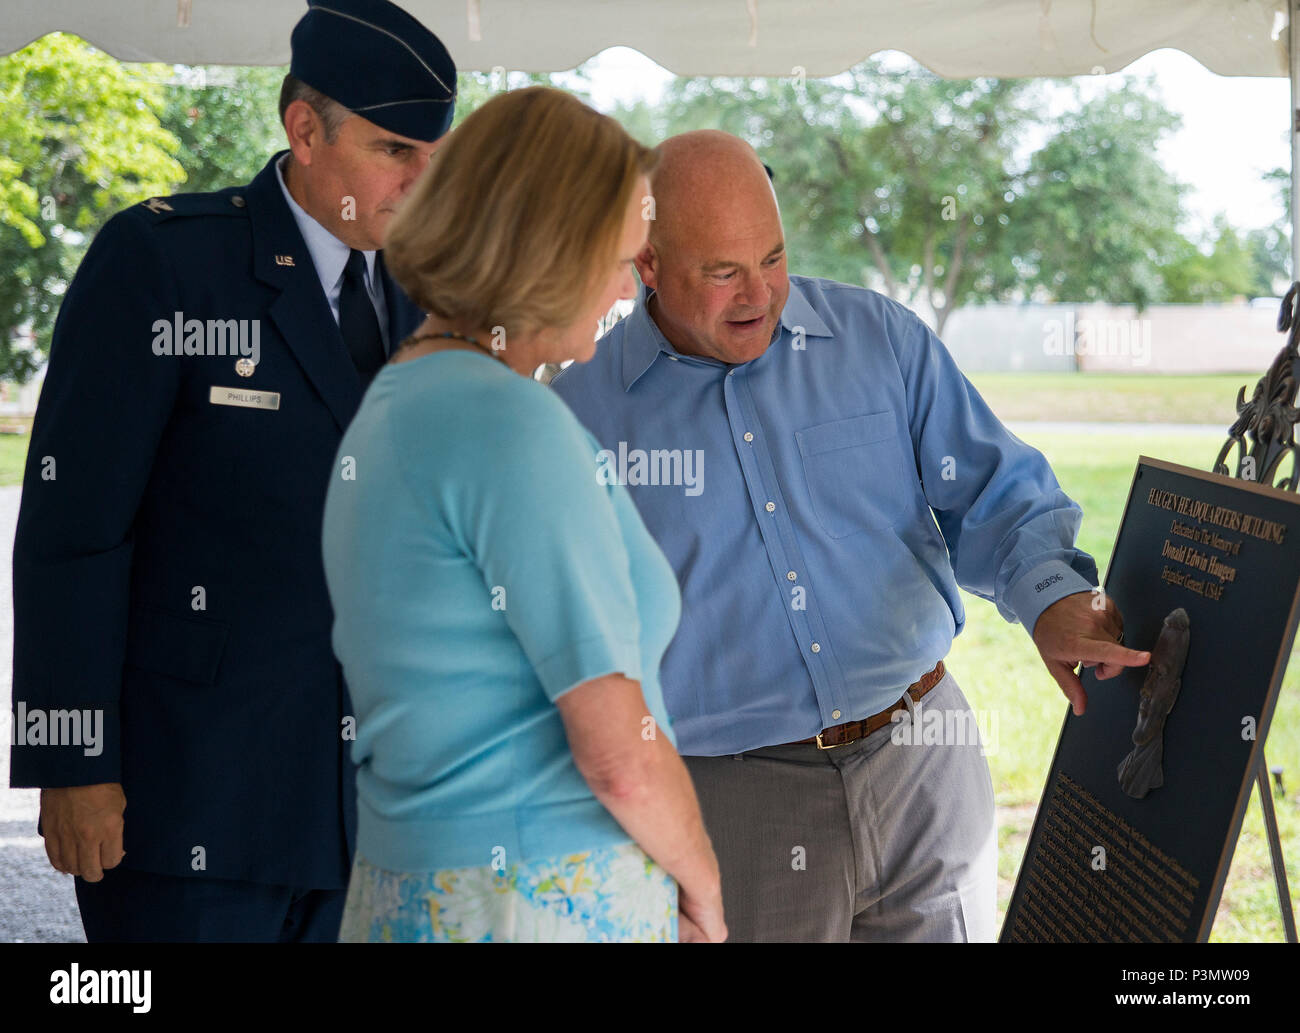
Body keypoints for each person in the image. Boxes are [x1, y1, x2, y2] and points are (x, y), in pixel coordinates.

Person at [551, 129, 1153, 942]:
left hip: (922, 764)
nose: (759, 293)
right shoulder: (581, 410)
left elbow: (994, 490)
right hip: (734, 808)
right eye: (723, 271)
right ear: (647, 264)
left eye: (772, 257)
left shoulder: (880, 339)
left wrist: (1050, 598)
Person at [8, 0, 456, 942]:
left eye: (434, 154)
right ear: (303, 129)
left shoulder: (436, 294)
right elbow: (71, 526)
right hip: (192, 804)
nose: (422, 180)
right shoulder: (167, 262)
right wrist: (72, 760)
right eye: (393, 150)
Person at [320, 86, 725, 943]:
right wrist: (704, 887)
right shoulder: (509, 422)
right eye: (620, 260)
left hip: (425, 887)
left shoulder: (400, 398)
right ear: (551, 251)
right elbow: (619, 754)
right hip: (536, 896)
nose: (627, 289)